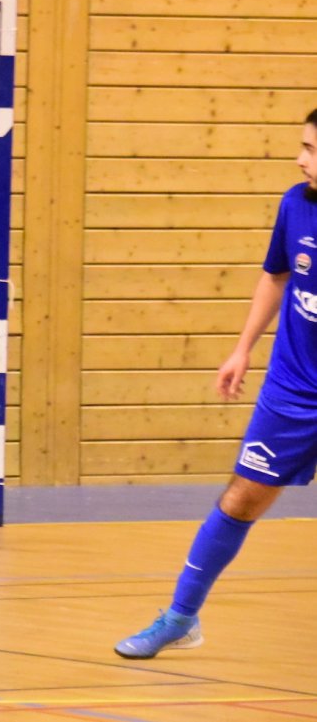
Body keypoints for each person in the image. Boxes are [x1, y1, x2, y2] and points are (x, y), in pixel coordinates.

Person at [115, 108, 317, 659]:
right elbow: (277, 275)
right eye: (303, 146)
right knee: (239, 499)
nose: (301, 159)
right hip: (293, 390)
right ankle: (180, 618)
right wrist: (242, 348)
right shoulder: (296, 204)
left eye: (312, 150)